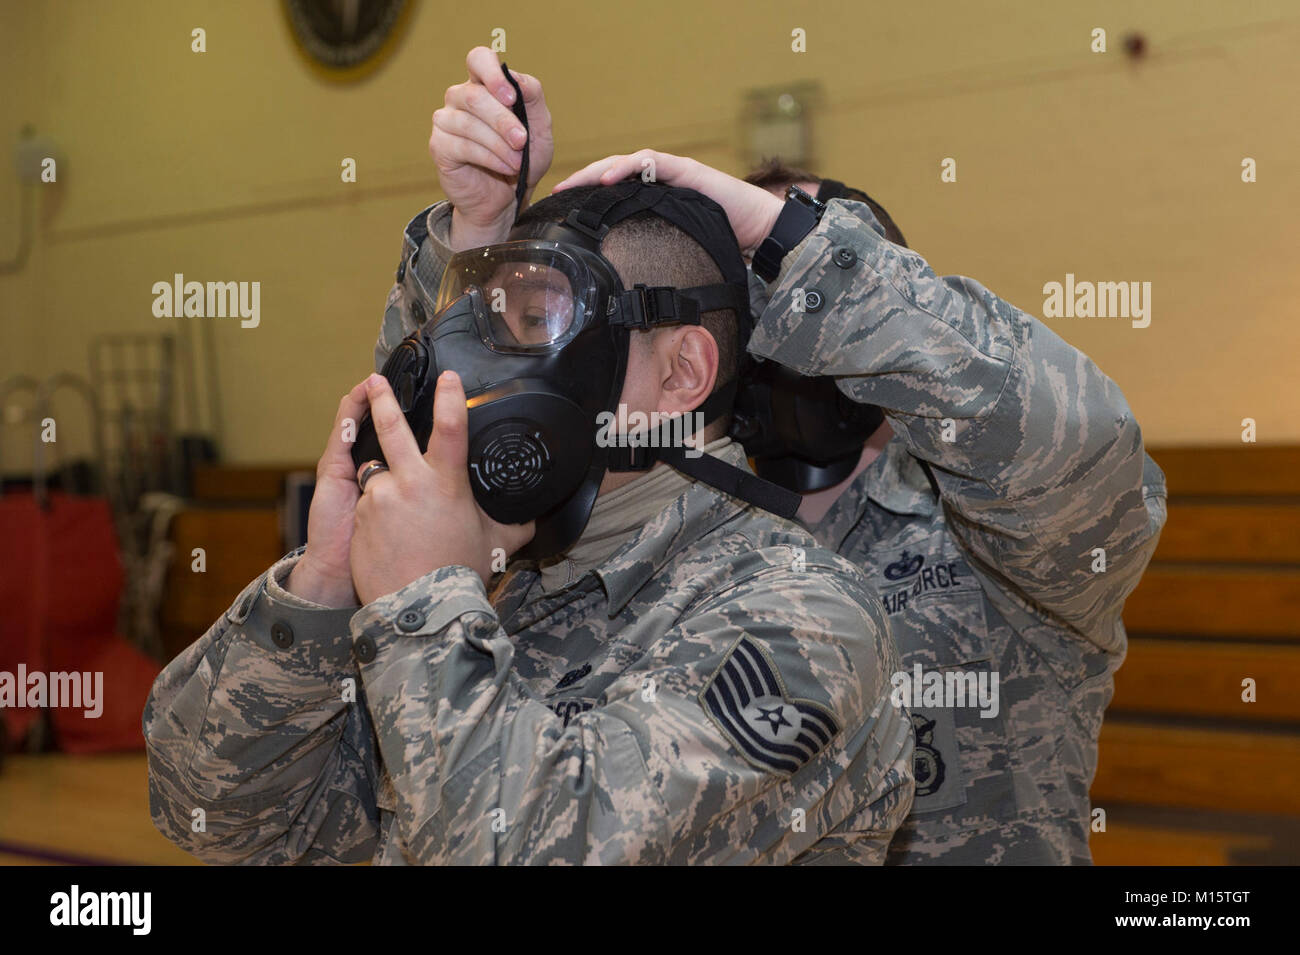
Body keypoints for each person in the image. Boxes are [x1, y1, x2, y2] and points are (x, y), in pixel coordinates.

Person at [143, 171, 915, 861]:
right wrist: (325, 583)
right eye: (483, 317)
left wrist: (426, 599)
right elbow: (207, 812)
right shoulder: (492, 571)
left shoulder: (804, 617)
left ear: (682, 373)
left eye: (534, 320)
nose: (471, 359)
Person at [556, 149, 1168, 865]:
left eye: (802, 269)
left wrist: (785, 234)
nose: (787, 310)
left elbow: (1088, 447)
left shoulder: (984, 528)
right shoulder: (650, 536)